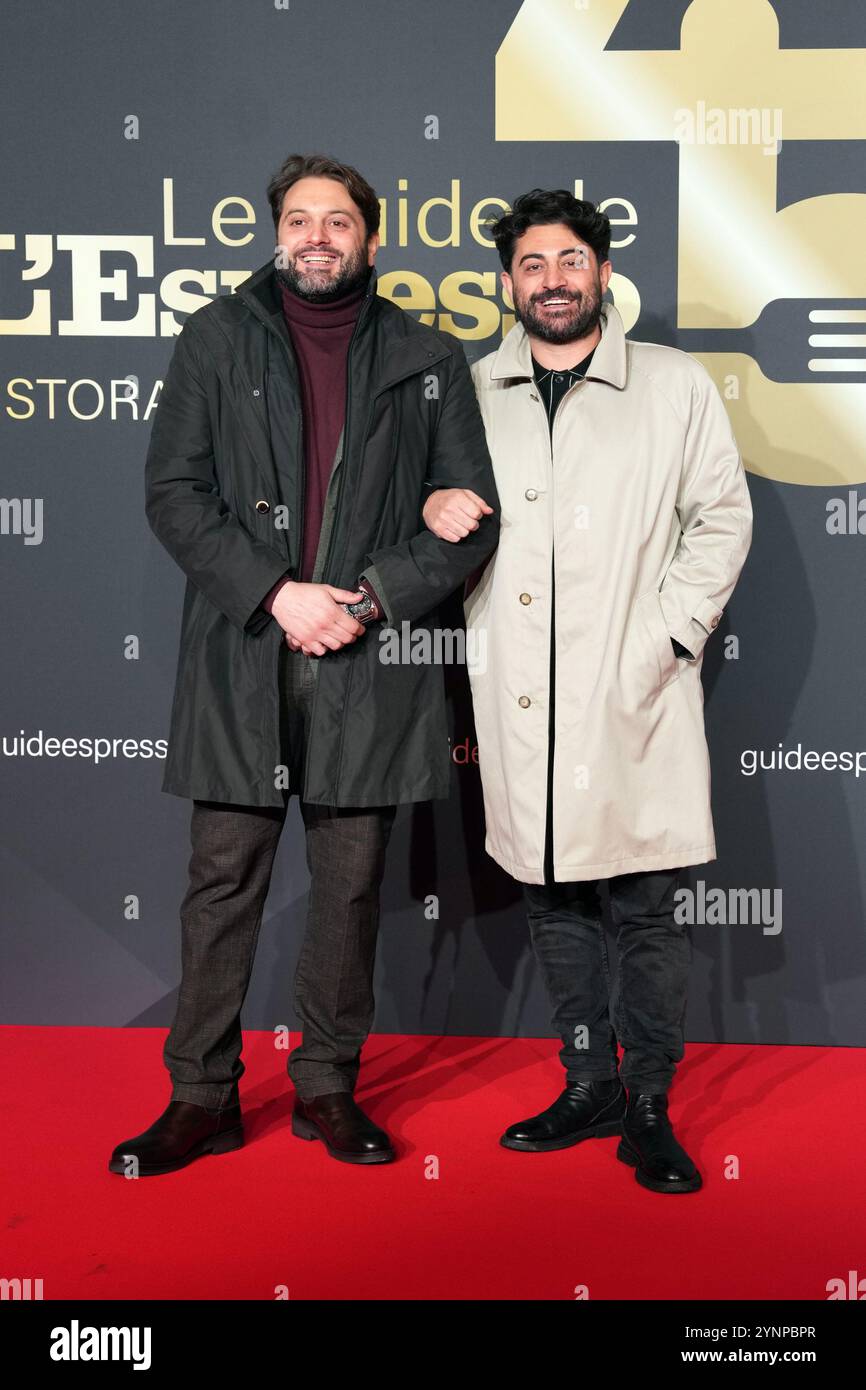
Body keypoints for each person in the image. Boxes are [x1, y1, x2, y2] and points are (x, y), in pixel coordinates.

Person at [109, 153, 499, 1176]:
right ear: (274, 231)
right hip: (245, 649)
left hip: (367, 660)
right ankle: (199, 1096)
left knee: (348, 886)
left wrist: (364, 600)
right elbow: (174, 493)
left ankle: (328, 1086)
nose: (317, 234)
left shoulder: (428, 355)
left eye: (338, 220)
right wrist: (277, 593)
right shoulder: (215, 336)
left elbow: (464, 521)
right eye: (299, 218)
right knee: (221, 880)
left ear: (371, 238)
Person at [422, 189, 752, 1193]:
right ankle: (584, 1081)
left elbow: (720, 518)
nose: (551, 280)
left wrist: (666, 636)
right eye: (530, 264)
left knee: (645, 910)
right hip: (519, 698)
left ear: (602, 272)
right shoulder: (472, 390)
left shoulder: (669, 382)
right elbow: (431, 512)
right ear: (507, 281)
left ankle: (646, 1101)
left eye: (569, 261)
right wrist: (432, 502)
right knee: (553, 906)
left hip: (631, 695)